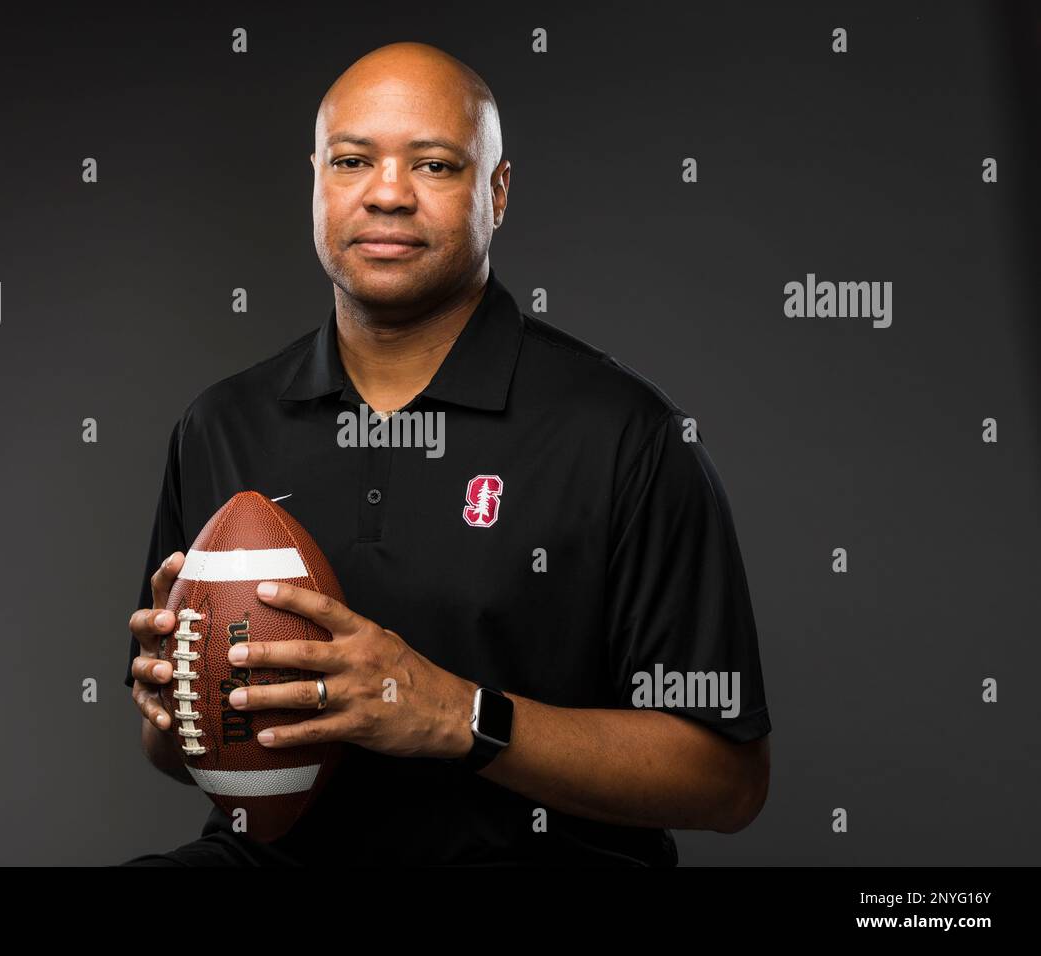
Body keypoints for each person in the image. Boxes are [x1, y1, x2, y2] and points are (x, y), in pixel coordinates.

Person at [121, 41, 771, 866]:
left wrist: (457, 715)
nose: (387, 195)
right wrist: (177, 708)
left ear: (496, 192)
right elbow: (177, 758)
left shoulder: (623, 433)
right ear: (316, 180)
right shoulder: (222, 422)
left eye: (433, 166)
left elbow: (729, 781)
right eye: (352, 160)